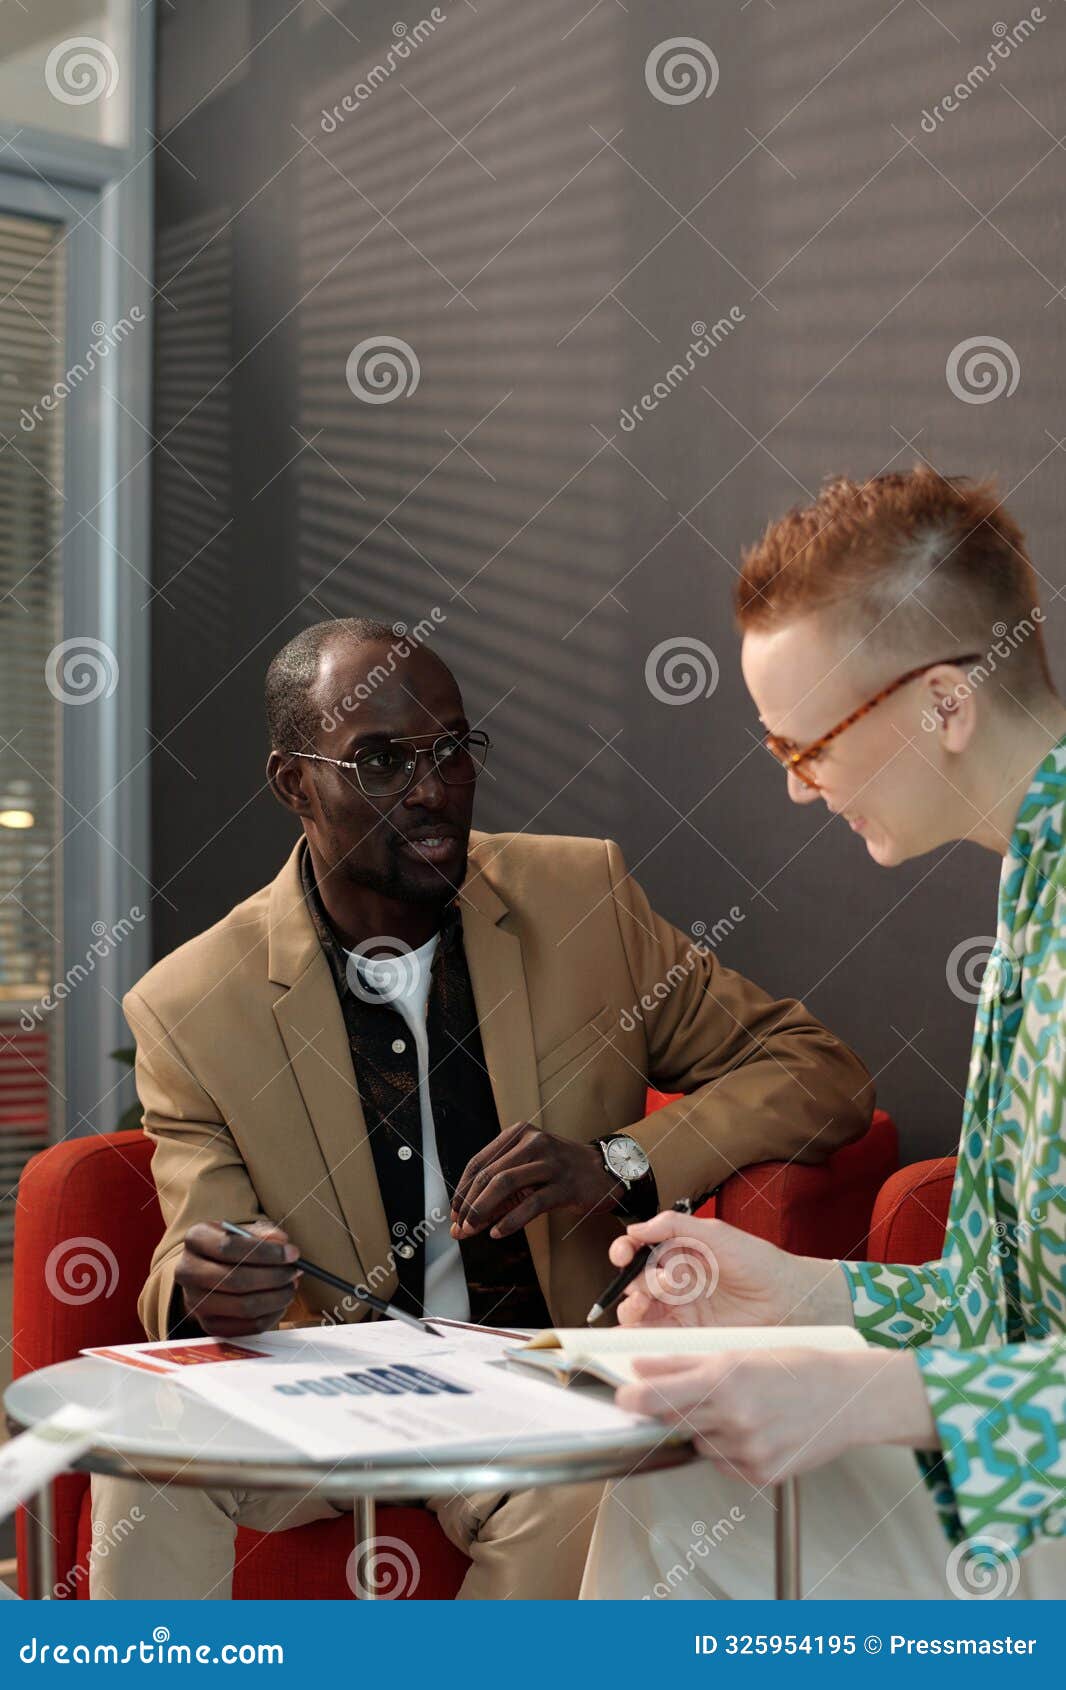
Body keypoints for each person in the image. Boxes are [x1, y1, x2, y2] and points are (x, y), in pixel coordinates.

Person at [89, 618, 872, 1600]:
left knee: (587, 1492)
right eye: (379, 760)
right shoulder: (193, 1004)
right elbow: (197, 1242)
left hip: (543, 1388)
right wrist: (210, 1284)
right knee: (146, 1459)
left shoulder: (580, 899)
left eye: (451, 750)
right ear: (294, 782)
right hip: (321, 1389)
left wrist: (617, 1160)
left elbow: (818, 1071)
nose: (430, 790)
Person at [581, 466, 1066, 1600]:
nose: (800, 789)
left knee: (679, 1483)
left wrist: (854, 1393)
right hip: (1025, 1483)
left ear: (946, 702)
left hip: (1035, 1500)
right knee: (669, 1463)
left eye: (810, 745)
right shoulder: (1031, 889)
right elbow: (1002, 1316)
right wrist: (795, 1292)